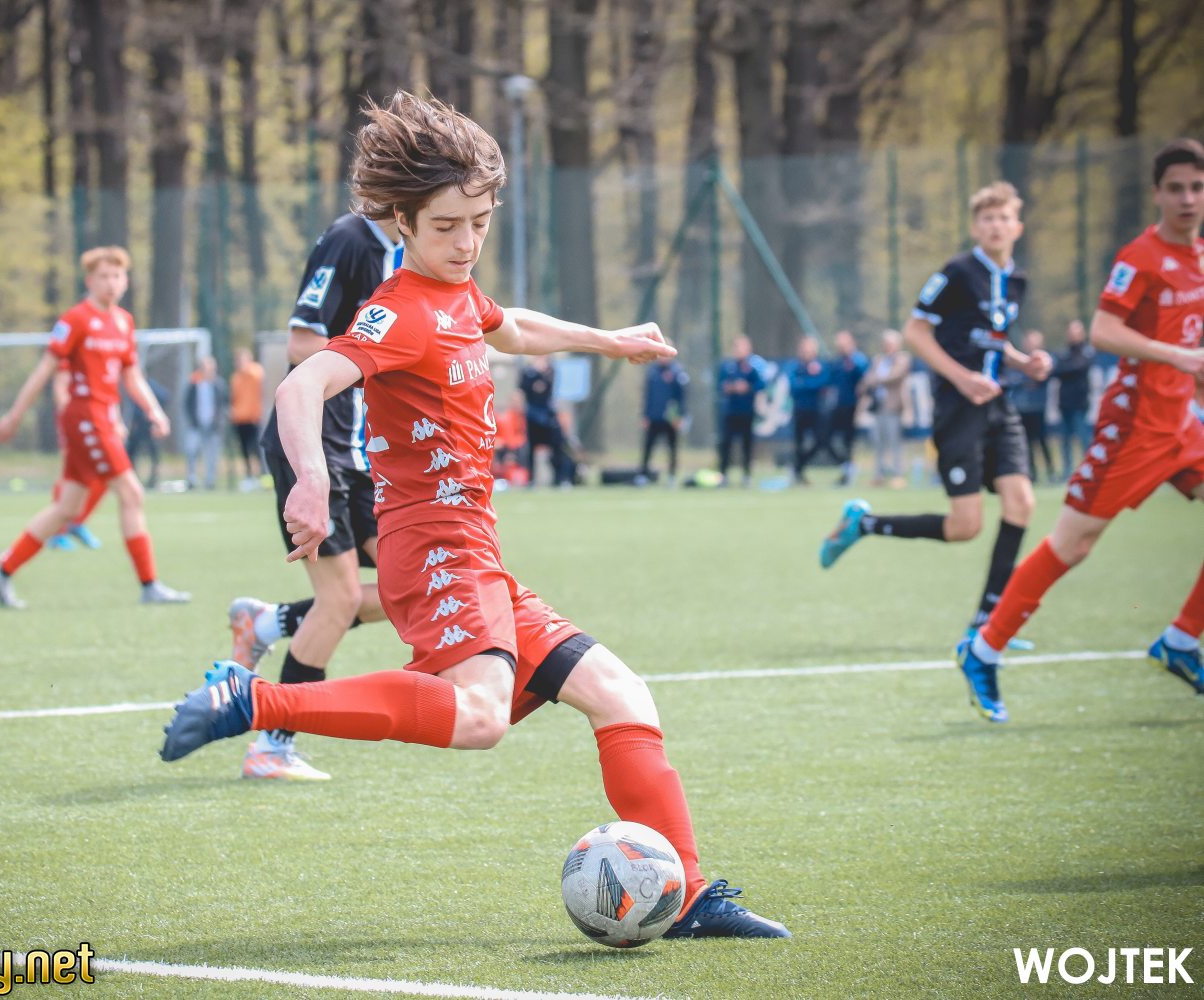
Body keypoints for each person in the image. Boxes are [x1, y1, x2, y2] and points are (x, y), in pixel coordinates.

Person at [159, 91, 789, 939]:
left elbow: (510, 325)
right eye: (448, 226)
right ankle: (255, 703)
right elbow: (302, 381)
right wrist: (309, 479)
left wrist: (612, 340)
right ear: (402, 221)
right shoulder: (400, 307)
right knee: (482, 719)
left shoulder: (458, 292)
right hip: (433, 551)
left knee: (621, 695)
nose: (466, 243)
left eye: (479, 223)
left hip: (475, 549)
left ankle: (684, 897)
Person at [957, 139, 1204, 721]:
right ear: (1156, 194)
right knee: (1074, 543)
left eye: (1196, 186)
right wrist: (1175, 357)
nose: (1188, 199)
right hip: (1133, 429)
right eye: (1175, 188)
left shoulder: (1200, 258)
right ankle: (984, 649)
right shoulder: (1140, 257)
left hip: (1181, 425)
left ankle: (1182, 641)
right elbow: (1102, 331)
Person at [819, 181, 1053, 650]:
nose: (995, 226)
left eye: (1003, 218)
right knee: (965, 526)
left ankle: (988, 625)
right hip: (958, 408)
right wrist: (963, 377)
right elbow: (915, 332)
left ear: (1017, 227)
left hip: (997, 404)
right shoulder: (957, 272)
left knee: (1022, 503)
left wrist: (1022, 362)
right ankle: (863, 524)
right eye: (986, 218)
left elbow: (989, 337)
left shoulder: (1017, 280)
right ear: (975, 226)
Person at [228, 208, 403, 782]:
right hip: (313, 447)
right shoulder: (352, 240)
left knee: (420, 587)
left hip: (359, 451)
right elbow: (304, 342)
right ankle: (272, 745)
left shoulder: (413, 249)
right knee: (339, 600)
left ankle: (270, 624)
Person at [0, 246, 190, 607]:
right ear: (89, 281)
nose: (111, 283)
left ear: (125, 281)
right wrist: (14, 416)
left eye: (117, 276)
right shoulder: (75, 319)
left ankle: (0, 574)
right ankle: (149, 585)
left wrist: (153, 410)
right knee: (131, 493)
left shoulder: (123, 321)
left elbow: (131, 375)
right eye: (103, 276)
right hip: (84, 417)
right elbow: (45, 370)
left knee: (66, 508)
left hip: (104, 417)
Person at [47, 357, 107, 551]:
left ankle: (77, 523)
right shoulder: (72, 348)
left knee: (103, 476)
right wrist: (72, 423)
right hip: (77, 421)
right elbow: (60, 388)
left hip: (96, 419)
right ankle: (58, 532)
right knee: (69, 476)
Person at [860, 329, 912, 488]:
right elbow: (867, 378)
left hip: (893, 406)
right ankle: (879, 474)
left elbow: (894, 376)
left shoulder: (903, 358)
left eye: (890, 343)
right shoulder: (878, 360)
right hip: (878, 406)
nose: (887, 346)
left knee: (894, 441)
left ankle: (898, 474)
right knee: (878, 442)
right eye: (885, 343)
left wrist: (876, 379)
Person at [716, 335, 765, 487]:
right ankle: (723, 475)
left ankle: (747, 476)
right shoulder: (728, 367)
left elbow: (761, 385)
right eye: (737, 347)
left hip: (747, 412)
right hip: (731, 412)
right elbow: (720, 385)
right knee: (726, 444)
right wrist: (731, 387)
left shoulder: (753, 367)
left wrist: (747, 387)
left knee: (747, 445)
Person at [1008, 329, 1056, 482]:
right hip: (1022, 408)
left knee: (1042, 441)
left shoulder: (1044, 360)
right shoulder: (1018, 360)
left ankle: (1051, 471)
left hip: (1038, 408)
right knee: (1026, 443)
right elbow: (1014, 380)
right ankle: (1031, 473)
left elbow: (1044, 378)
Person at [520, 356, 574, 486]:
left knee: (557, 447)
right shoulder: (528, 372)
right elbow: (525, 387)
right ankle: (531, 479)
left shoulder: (550, 371)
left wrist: (541, 376)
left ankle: (560, 478)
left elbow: (547, 387)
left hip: (548, 416)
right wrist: (536, 374)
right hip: (533, 416)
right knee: (531, 448)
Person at [1053, 319, 1096, 479]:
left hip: (1080, 403)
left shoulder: (1087, 352)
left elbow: (1077, 366)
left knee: (1083, 437)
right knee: (1065, 440)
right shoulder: (1063, 353)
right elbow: (1056, 371)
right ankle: (1067, 472)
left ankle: (1089, 470)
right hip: (1064, 403)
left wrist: (1064, 369)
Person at [783, 336, 829, 486]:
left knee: (820, 441)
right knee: (799, 443)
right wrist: (809, 384)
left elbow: (821, 383)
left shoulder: (820, 366)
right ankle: (798, 474)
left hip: (816, 410)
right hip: (799, 410)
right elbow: (793, 386)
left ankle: (797, 467)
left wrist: (805, 383)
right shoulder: (794, 367)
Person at [824, 330, 869, 484]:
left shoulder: (858, 360)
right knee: (826, 438)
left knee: (848, 441)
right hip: (838, 407)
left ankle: (847, 474)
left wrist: (861, 409)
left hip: (852, 407)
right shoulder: (837, 362)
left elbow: (865, 383)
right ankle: (846, 466)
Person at [640, 356, 689, 485]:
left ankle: (671, 476)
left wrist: (679, 416)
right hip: (654, 416)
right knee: (648, 446)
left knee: (672, 448)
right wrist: (645, 415)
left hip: (671, 418)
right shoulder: (652, 371)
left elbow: (681, 397)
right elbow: (648, 395)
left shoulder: (677, 372)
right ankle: (643, 475)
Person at [182, 355, 227, 490]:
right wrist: (193, 419)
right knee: (191, 450)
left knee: (212, 455)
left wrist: (218, 420)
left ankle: (210, 480)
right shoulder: (194, 383)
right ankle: (191, 478)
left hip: (213, 426)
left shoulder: (219, 384)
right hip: (196, 425)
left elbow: (223, 404)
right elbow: (186, 403)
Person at [125, 374, 168, 489]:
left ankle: (153, 479)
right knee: (131, 453)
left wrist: (156, 413)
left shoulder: (149, 385)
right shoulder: (131, 385)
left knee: (153, 454)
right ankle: (133, 478)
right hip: (138, 425)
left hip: (149, 425)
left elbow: (164, 396)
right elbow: (132, 408)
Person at [230, 346, 265, 484]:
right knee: (244, 450)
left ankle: (264, 476)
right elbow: (235, 398)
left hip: (254, 418)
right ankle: (250, 476)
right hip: (240, 419)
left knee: (257, 449)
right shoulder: (236, 378)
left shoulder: (256, 373)